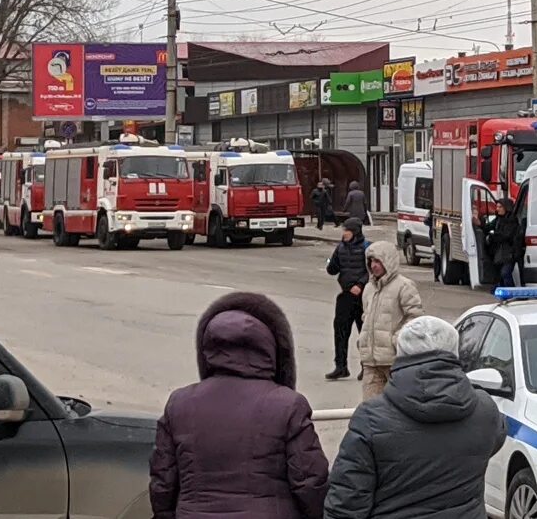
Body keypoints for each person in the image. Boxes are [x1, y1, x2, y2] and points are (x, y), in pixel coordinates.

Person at [149, 292, 329, 519]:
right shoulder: (289, 405)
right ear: (270, 349)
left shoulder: (180, 403)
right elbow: (310, 481)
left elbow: (163, 482)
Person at [325, 316, 506, 519]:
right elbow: (496, 438)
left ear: (400, 355)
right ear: (455, 352)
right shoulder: (485, 409)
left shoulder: (370, 418)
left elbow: (346, 504)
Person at [357, 240, 423, 400]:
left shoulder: (404, 286)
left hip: (395, 362)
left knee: (398, 406)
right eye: (371, 261)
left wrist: (397, 340)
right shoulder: (369, 288)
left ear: (388, 261)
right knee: (371, 408)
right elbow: (366, 316)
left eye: (378, 261)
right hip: (370, 362)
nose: (373, 265)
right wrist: (363, 340)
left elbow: (415, 318)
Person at [325, 217, 369, 381]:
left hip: (362, 297)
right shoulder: (340, 248)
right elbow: (333, 269)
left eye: (347, 231)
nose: (344, 234)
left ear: (355, 232)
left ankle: (367, 367)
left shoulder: (367, 248)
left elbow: (371, 271)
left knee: (364, 333)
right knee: (340, 331)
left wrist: (361, 284)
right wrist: (331, 263)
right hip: (346, 295)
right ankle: (340, 366)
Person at [481, 198, 522, 287]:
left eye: (500, 207)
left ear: (506, 208)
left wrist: (492, 237)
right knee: (500, 276)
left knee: (505, 273)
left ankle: (511, 291)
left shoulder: (512, 220)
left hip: (510, 252)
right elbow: (488, 227)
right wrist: (480, 224)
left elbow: (506, 235)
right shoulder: (498, 219)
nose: (497, 209)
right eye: (497, 207)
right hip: (500, 253)